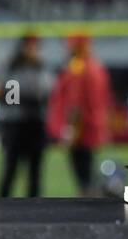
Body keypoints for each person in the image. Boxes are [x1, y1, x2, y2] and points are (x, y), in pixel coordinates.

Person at [47, 34, 113, 195]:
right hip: (93, 128)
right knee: (89, 174)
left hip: (81, 130)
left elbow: (75, 103)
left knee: (84, 179)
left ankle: (88, 213)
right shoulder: (97, 67)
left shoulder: (78, 68)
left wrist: (70, 131)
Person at [0, 34, 52, 196]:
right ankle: (2, 206)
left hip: (35, 124)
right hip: (15, 124)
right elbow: (5, 92)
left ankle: (34, 208)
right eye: (30, 46)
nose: (33, 50)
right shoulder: (12, 67)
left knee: (35, 172)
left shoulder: (41, 67)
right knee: (10, 170)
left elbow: (46, 92)